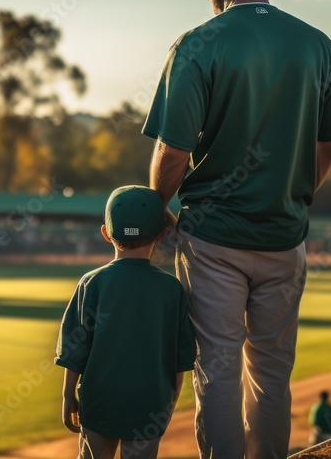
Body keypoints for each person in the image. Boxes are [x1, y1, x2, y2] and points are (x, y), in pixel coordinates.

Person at [143, 0, 331, 459]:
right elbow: (328, 150)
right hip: (285, 235)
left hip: (214, 236)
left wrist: (159, 209)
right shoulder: (318, 43)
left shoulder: (198, 43)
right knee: (273, 375)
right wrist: (295, 195)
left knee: (218, 368)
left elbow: (173, 152)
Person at [55, 186, 197, 459]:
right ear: (161, 234)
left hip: (100, 400)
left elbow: (74, 350)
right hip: (150, 404)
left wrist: (67, 397)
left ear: (106, 234)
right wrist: (170, 403)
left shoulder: (92, 283)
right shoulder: (172, 289)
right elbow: (180, 359)